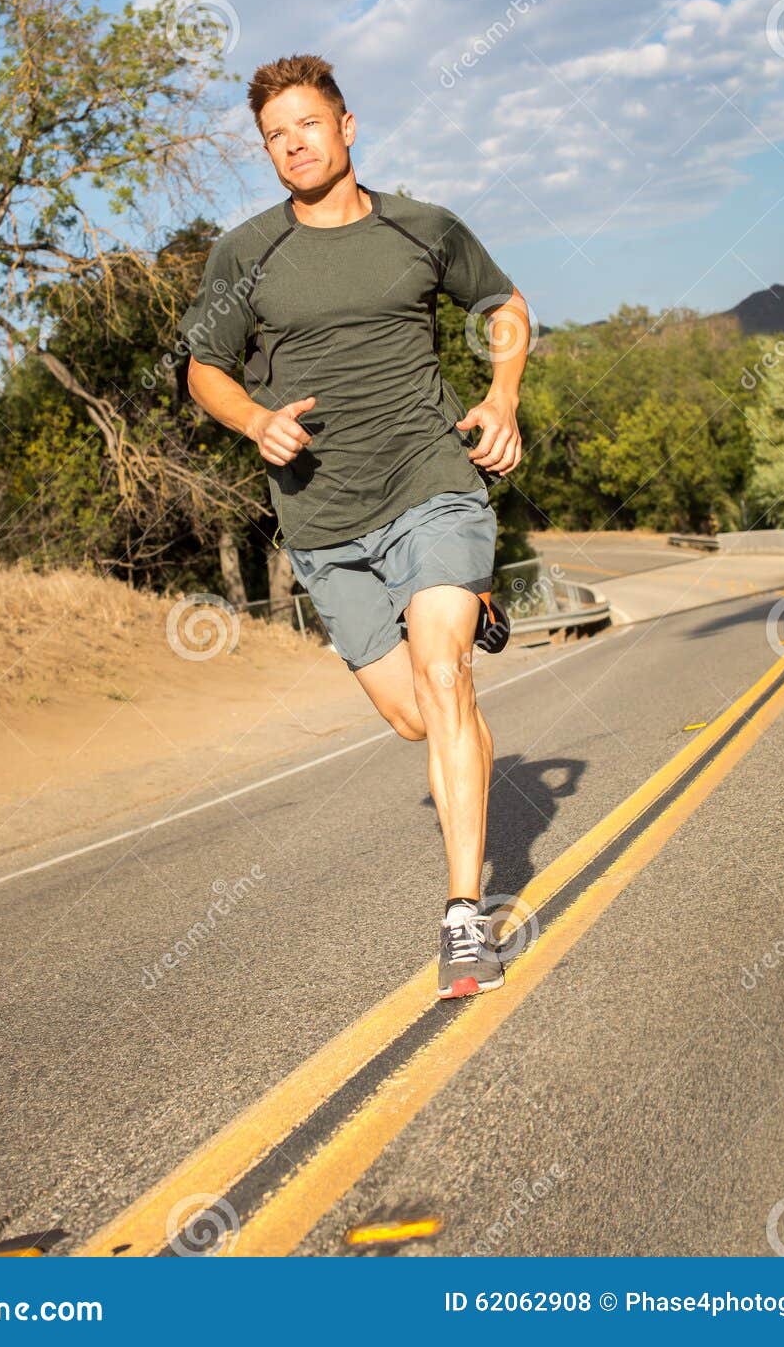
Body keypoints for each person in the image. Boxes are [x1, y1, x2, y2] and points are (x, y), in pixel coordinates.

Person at [176, 53, 531, 998]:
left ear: (347, 126)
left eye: (307, 124)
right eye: (273, 136)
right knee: (418, 712)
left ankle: (465, 916)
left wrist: (500, 398)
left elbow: (504, 305)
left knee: (444, 673)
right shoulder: (243, 253)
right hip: (322, 518)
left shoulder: (424, 228)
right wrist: (254, 420)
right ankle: (462, 620)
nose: (292, 145)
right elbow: (202, 366)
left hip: (432, 478)